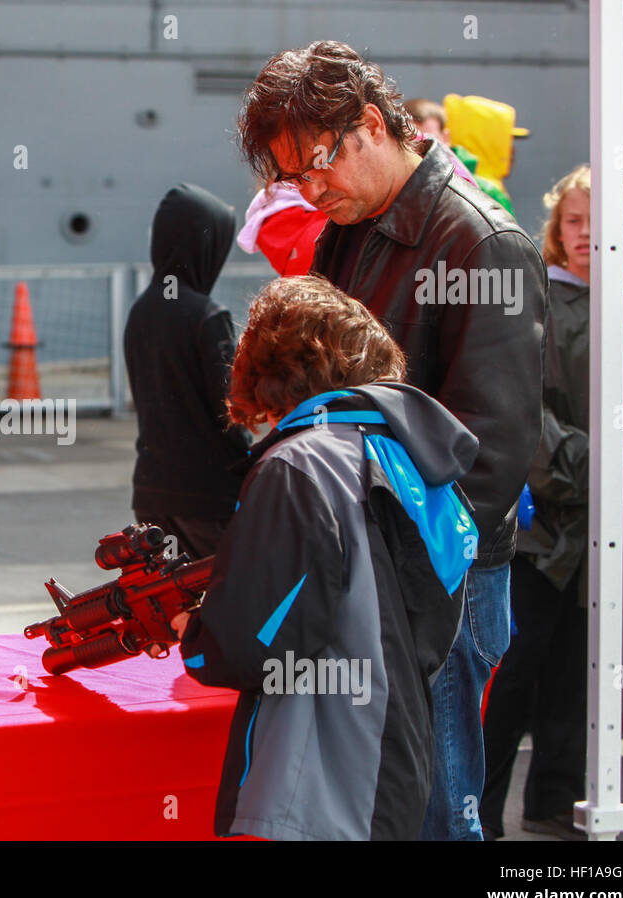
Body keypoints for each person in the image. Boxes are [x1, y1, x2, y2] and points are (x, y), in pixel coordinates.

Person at [237, 40, 547, 840]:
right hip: (370, 562)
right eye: (291, 179)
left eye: (315, 165)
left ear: (371, 124)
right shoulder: (353, 225)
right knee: (388, 802)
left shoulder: (483, 242)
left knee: (440, 807)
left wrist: (392, 569)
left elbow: (493, 448)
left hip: (439, 576)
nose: (309, 190)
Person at [174, 275, 477, 840]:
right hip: (394, 755)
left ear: (266, 368)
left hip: (316, 785)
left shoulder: (298, 466)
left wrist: (195, 632)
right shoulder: (400, 454)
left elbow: (248, 647)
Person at [481, 166, 623, 839]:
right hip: (539, 530)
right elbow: (520, 410)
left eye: (603, 221)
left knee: (580, 674)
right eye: (574, 222)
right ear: (558, 233)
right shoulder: (535, 302)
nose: (588, 234)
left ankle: (553, 800)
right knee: (511, 675)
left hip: (607, 530)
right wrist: (589, 469)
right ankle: (480, 811)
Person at [124, 184, 250, 558]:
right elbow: (231, 410)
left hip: (151, 492)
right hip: (209, 497)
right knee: (221, 609)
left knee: (168, 608)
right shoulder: (207, 316)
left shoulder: (141, 310)